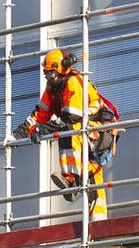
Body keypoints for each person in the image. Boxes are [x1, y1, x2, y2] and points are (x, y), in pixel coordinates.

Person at [10, 49, 109, 220]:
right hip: (83, 130)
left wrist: (44, 129)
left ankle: (71, 179)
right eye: (46, 74)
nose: (48, 78)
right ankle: (98, 221)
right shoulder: (52, 90)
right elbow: (39, 115)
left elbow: (71, 116)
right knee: (92, 177)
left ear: (61, 70)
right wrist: (16, 136)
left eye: (51, 74)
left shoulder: (73, 82)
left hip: (98, 129)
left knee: (67, 131)